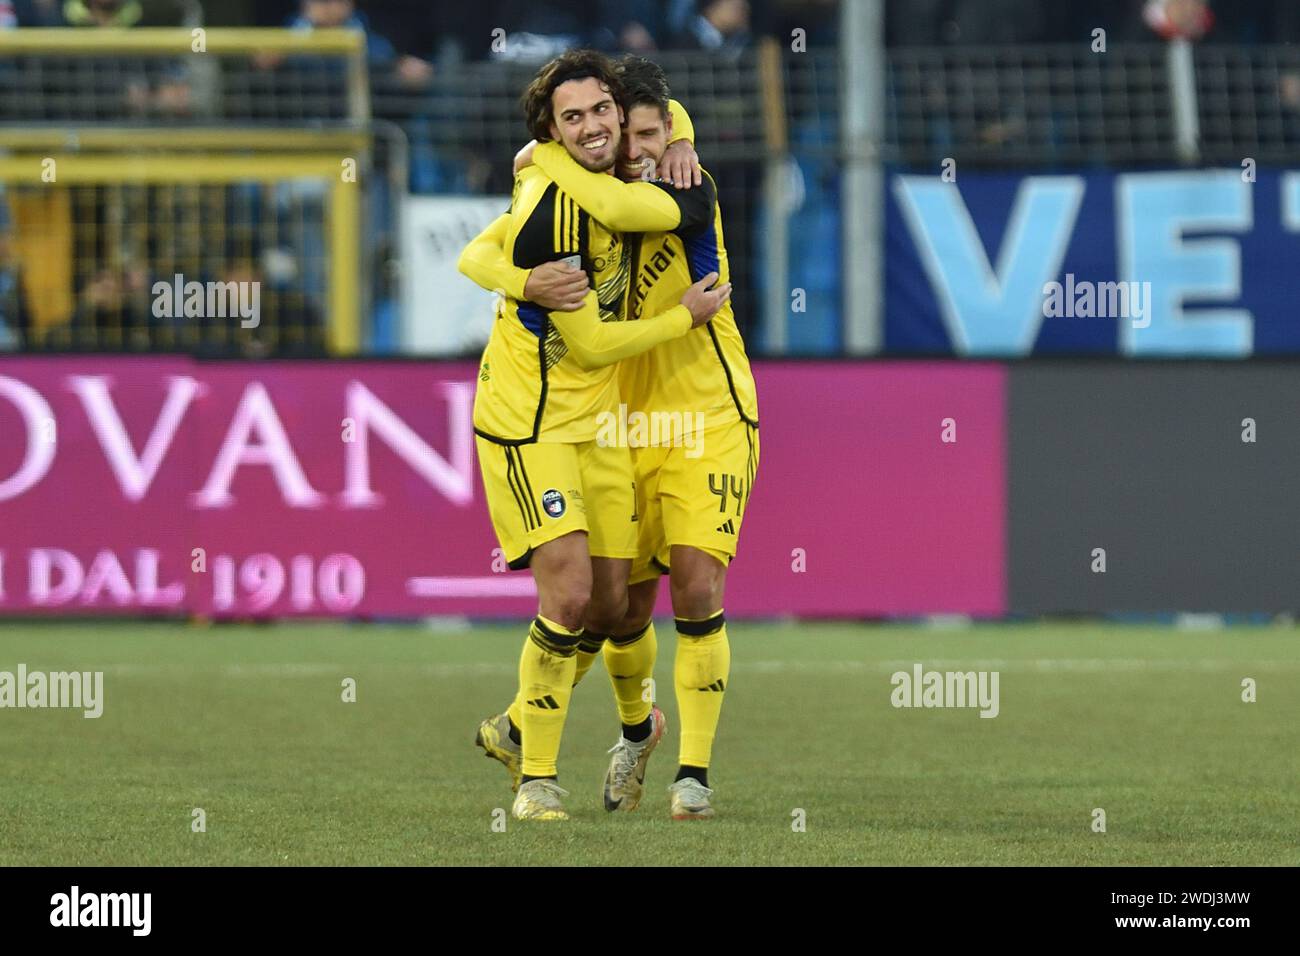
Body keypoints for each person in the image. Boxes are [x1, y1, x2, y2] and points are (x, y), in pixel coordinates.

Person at [463, 55, 759, 821]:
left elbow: (645, 137)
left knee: (695, 585)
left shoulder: (685, 188)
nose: (636, 148)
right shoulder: (572, 200)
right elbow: (481, 250)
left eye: (647, 133)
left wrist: (666, 139)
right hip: (615, 415)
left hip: (702, 415)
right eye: (622, 135)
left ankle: (691, 778)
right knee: (613, 607)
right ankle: (617, 731)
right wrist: (523, 273)